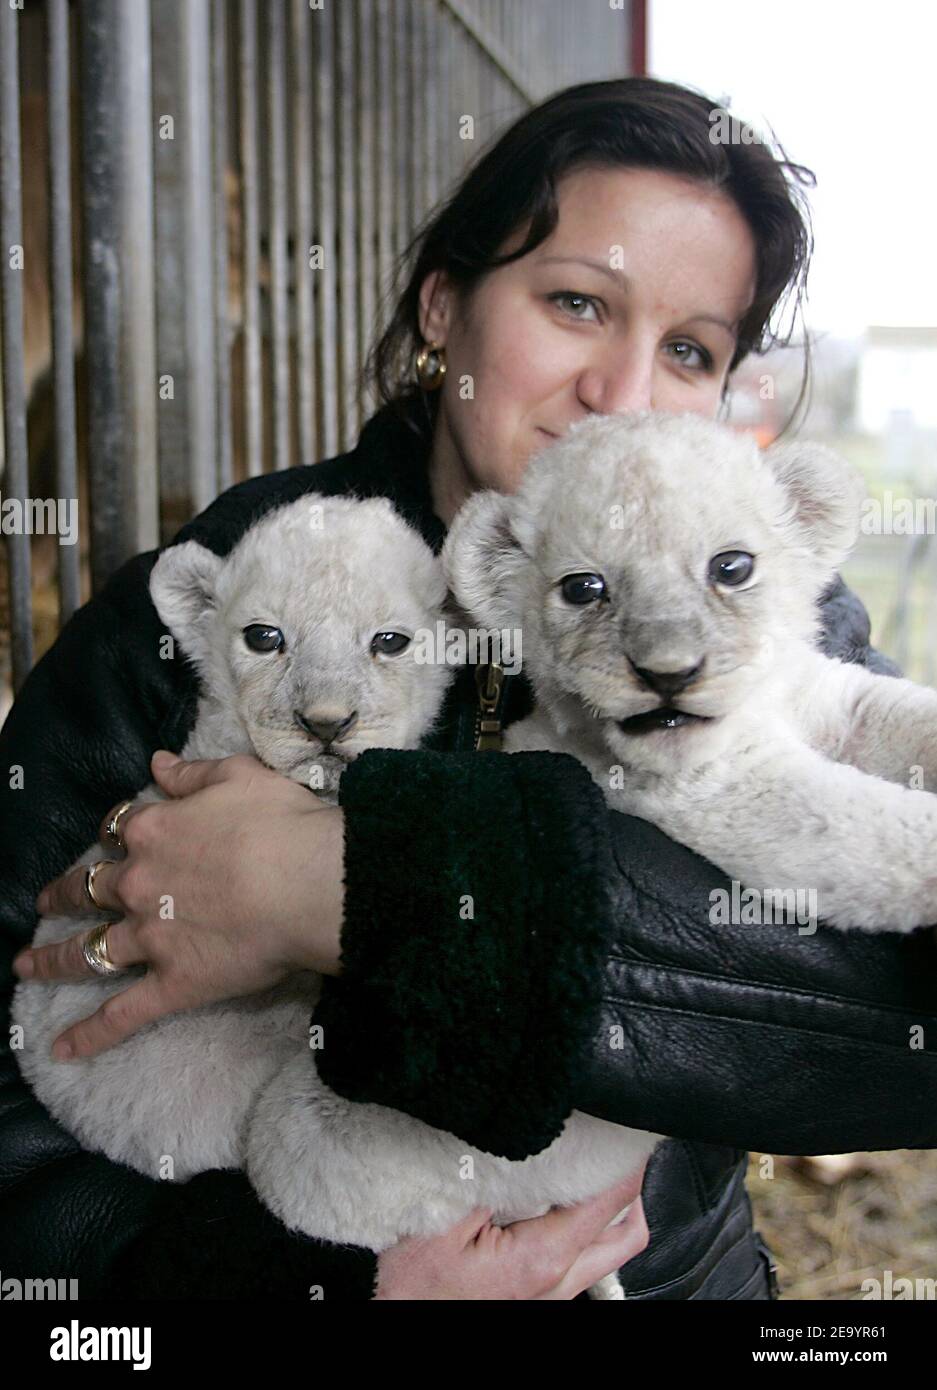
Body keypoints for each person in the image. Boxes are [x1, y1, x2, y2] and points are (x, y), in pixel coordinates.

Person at [2, 76, 935, 1301]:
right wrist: (323, 1285)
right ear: (444, 306)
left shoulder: (767, 619)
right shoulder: (209, 605)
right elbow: (22, 1136)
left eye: (690, 348)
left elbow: (897, 1036)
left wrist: (354, 889)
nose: (624, 392)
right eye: (575, 304)